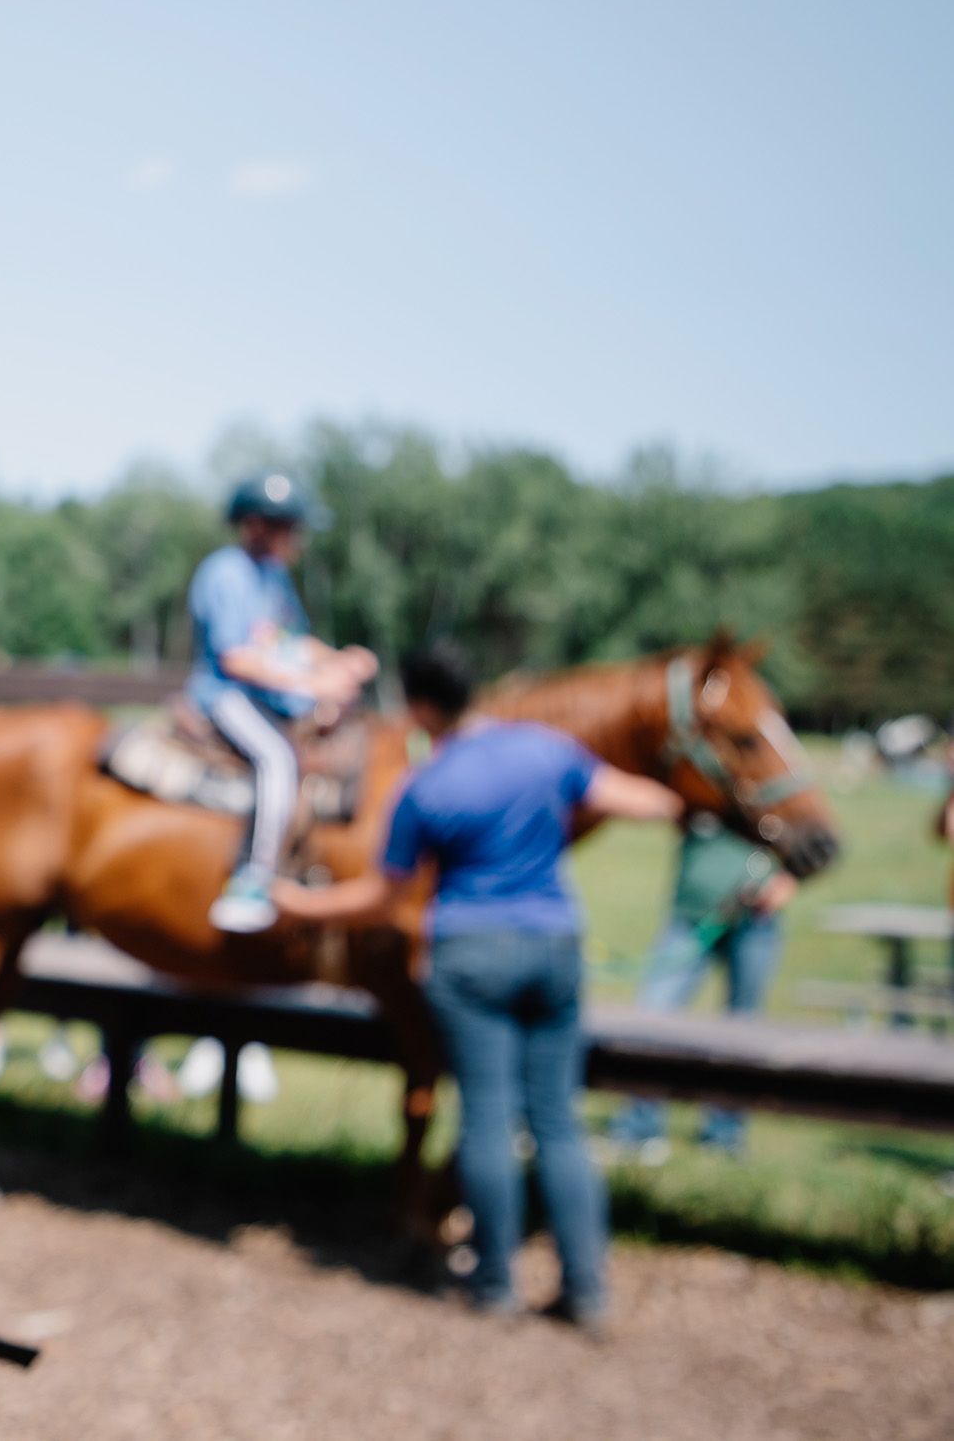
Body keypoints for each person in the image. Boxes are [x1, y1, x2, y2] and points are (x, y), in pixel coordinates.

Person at [271, 643, 682, 1331]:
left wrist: (302, 904)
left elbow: (381, 897)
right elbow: (640, 800)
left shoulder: (425, 785)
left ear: (419, 709)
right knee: (557, 1118)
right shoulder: (546, 751)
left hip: (469, 954)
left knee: (487, 1116)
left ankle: (496, 1284)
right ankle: (586, 1288)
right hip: (554, 946)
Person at [191, 472, 378, 932]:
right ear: (256, 526)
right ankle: (252, 879)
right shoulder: (224, 572)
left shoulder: (275, 576)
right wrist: (313, 684)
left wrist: (339, 661)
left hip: (275, 698)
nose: (298, 539)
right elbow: (235, 659)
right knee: (277, 759)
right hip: (228, 697)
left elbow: (290, 640)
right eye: (290, 528)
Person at [605, 817, 798, 1160]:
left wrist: (790, 879)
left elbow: (815, 835)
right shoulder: (700, 789)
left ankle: (724, 1135)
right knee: (654, 1015)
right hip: (689, 917)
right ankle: (639, 1127)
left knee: (741, 1027)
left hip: (754, 922)